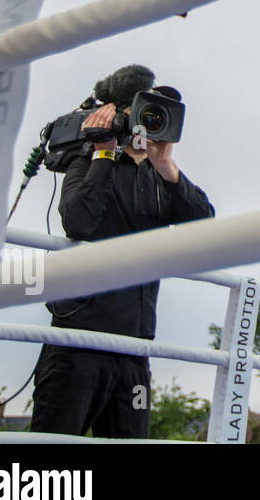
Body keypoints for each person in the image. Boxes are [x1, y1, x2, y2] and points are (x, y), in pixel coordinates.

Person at [30, 65, 215, 438]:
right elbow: (78, 222)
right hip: (77, 344)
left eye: (157, 114)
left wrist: (165, 163)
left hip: (134, 351)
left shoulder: (161, 176)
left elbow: (204, 224)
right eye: (144, 111)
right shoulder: (88, 161)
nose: (150, 123)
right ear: (121, 114)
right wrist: (103, 153)